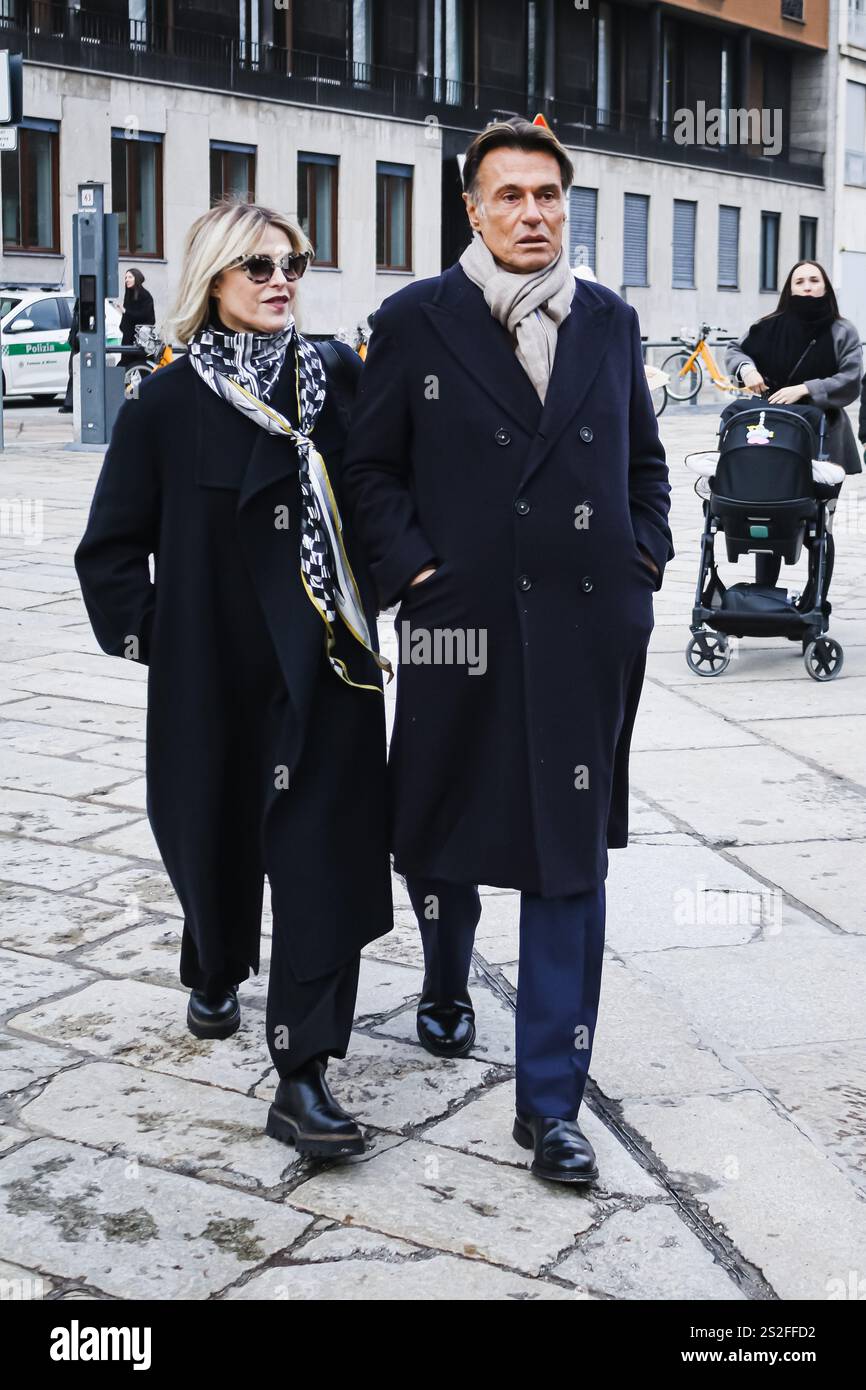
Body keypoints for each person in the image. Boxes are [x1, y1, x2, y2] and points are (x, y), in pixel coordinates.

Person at [343, 118, 673, 1186]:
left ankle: (550, 1105)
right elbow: (369, 470)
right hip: (458, 622)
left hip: (587, 623)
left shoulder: (610, 321)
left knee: (568, 851)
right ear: (472, 209)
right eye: (511, 195)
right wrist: (416, 574)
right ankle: (446, 976)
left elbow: (645, 461)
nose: (533, 214)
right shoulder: (414, 320)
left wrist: (643, 559)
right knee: (440, 815)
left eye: (548, 195)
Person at [75, 201, 392, 1158]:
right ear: (213, 278)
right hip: (212, 672)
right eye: (257, 265)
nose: (280, 279)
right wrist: (159, 639)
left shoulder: (337, 380)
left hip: (327, 666)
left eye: (293, 263)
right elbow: (110, 550)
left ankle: (304, 1072)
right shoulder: (165, 404)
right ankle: (213, 962)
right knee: (209, 839)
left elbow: (381, 494)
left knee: (325, 857)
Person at [726, 261, 863, 592]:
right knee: (768, 513)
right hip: (773, 436)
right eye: (799, 281)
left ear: (825, 287)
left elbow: (851, 377)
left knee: (819, 524)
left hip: (825, 437)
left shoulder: (842, 331)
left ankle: (816, 599)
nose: (807, 286)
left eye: (814, 280)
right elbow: (735, 350)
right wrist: (746, 369)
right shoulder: (768, 326)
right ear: (789, 288)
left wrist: (805, 389)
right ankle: (764, 595)